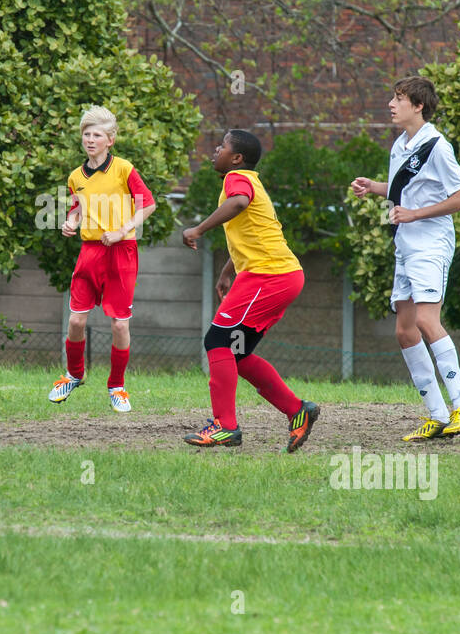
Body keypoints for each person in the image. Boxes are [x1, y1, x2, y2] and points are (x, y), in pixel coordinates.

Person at [350, 76, 460, 442]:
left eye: (399, 98)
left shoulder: (437, 145)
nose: (392, 104)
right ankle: (437, 416)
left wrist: (415, 215)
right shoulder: (400, 145)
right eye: (393, 97)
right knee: (405, 331)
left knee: (425, 319)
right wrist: (374, 188)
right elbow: (403, 192)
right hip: (405, 246)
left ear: (418, 105)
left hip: (431, 244)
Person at [181, 130, 319, 450]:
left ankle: (224, 427)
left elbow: (239, 203)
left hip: (268, 276)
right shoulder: (250, 180)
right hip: (275, 274)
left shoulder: (237, 179)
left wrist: (198, 228)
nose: (216, 150)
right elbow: (254, 232)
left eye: (222, 146)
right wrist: (227, 272)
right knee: (237, 353)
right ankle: (298, 411)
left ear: (237, 158)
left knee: (217, 341)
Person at [47, 106, 156, 413]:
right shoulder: (75, 176)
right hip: (90, 253)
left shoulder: (123, 169)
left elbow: (148, 205)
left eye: (97, 135)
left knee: (119, 326)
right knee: (76, 320)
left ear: (110, 140)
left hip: (121, 253)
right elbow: (76, 208)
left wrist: (122, 231)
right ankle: (73, 375)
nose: (90, 139)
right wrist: (71, 221)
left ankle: (117, 387)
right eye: (86, 134)